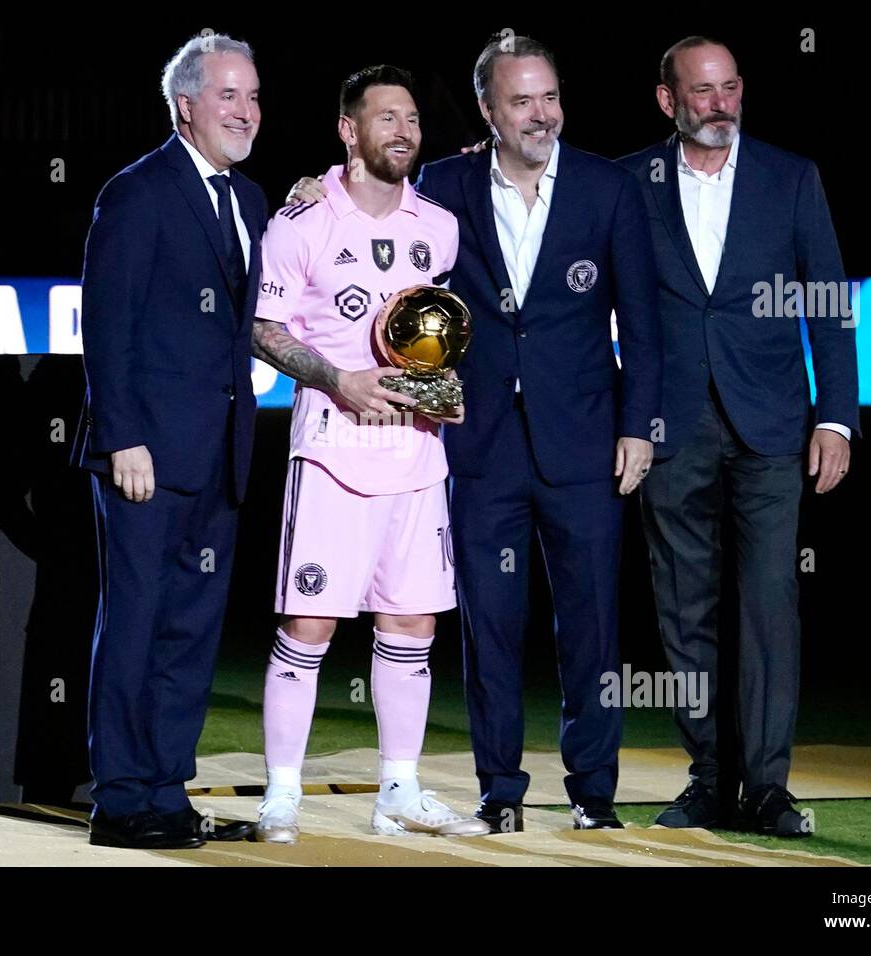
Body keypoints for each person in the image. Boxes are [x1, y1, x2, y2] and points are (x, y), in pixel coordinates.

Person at [289, 34, 661, 832]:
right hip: (476, 442)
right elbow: (373, 215)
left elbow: (645, 317)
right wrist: (314, 190)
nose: (541, 115)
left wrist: (640, 427)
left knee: (592, 626)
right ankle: (501, 790)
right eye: (521, 101)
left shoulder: (609, 188)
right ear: (489, 111)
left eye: (550, 97)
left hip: (587, 442)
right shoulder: (443, 184)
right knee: (490, 624)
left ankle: (594, 792)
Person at [617, 36, 859, 837]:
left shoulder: (792, 177)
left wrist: (837, 417)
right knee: (683, 610)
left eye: (729, 89)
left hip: (773, 425)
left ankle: (769, 789)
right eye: (702, 91)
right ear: (668, 100)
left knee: (769, 606)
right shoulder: (628, 182)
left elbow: (826, 302)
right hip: (668, 426)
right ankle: (710, 781)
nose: (719, 104)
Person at [250, 65, 488, 843]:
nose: (403, 130)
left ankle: (400, 790)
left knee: (412, 623)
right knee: (310, 625)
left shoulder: (438, 227)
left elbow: (433, 347)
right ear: (349, 131)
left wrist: (439, 394)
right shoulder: (301, 221)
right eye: (385, 117)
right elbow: (266, 328)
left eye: (412, 118)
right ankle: (281, 794)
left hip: (417, 462)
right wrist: (338, 378)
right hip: (331, 458)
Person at [71, 33, 267, 850]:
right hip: (146, 458)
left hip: (220, 455)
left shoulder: (251, 200)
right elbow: (105, 323)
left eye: (254, 97)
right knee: (137, 623)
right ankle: (119, 799)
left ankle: (165, 785)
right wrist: (122, 437)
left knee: (190, 632)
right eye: (229, 96)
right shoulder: (138, 192)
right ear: (186, 104)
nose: (247, 112)